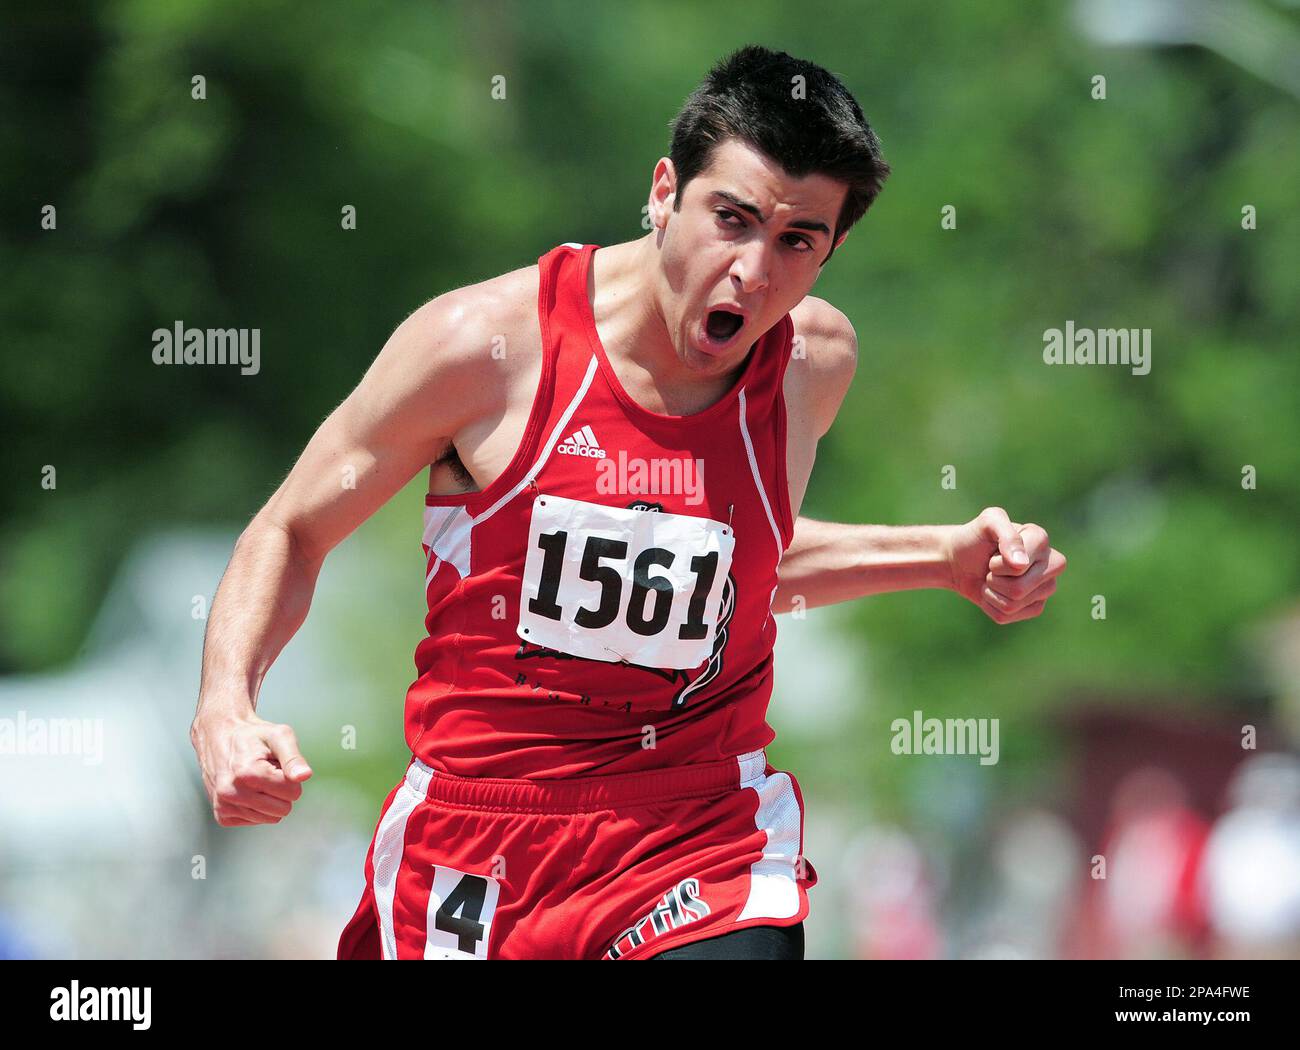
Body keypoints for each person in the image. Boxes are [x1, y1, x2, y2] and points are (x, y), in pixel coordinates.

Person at [190, 45, 1067, 960]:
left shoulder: (811, 366)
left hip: (697, 829)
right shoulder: (482, 349)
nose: (753, 273)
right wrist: (225, 705)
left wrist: (942, 557)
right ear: (663, 193)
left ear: (830, 250)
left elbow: (737, 565)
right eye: (731, 219)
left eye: (797, 241)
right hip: (484, 832)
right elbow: (292, 528)